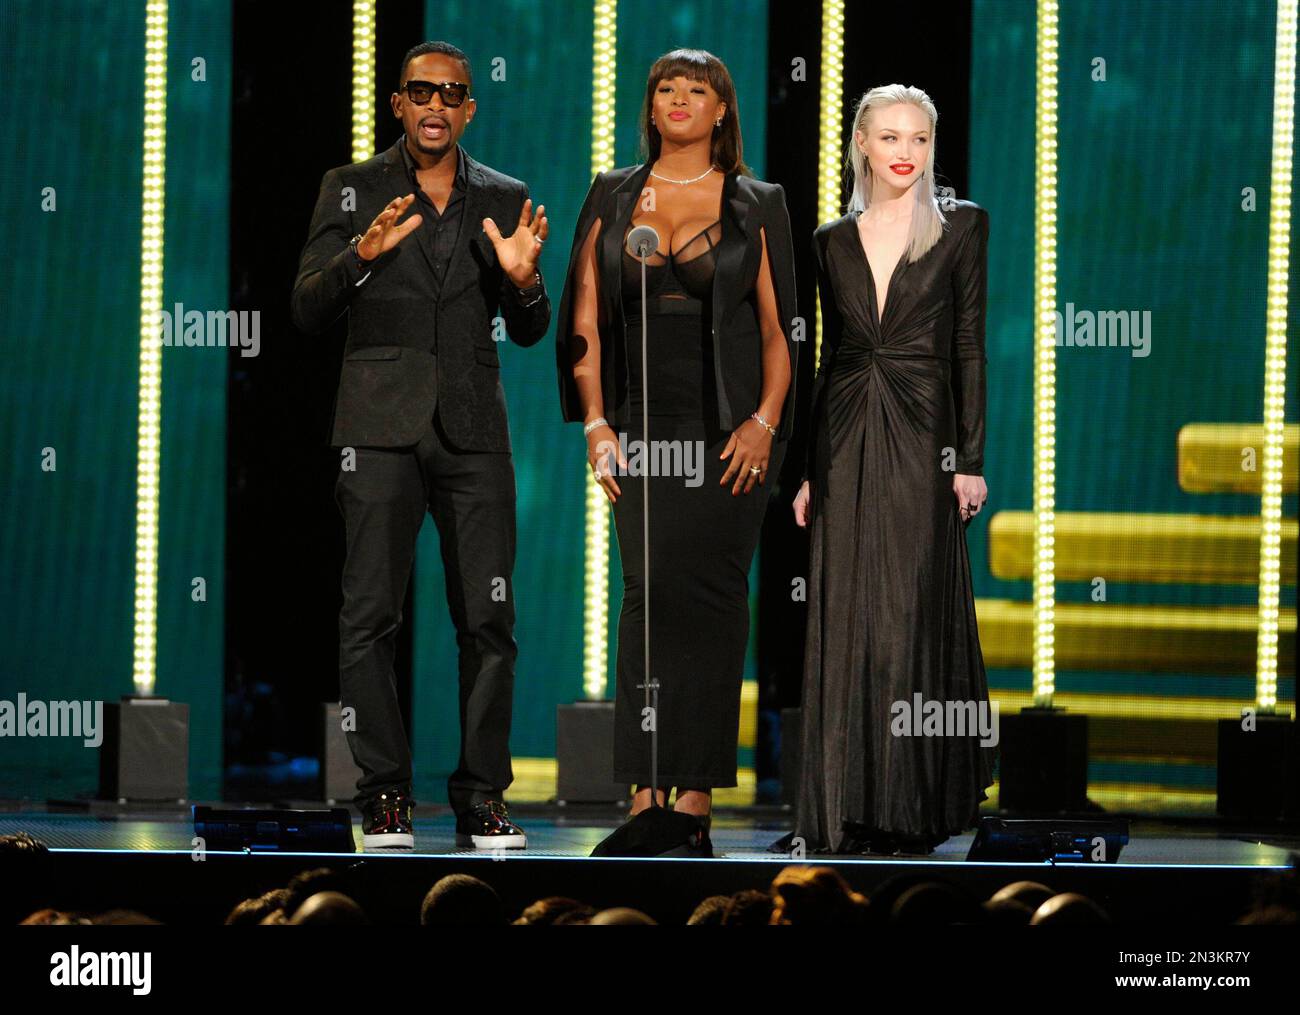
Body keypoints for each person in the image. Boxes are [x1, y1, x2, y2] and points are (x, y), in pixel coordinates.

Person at [291, 41, 549, 850]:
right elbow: (304, 309)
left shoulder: (505, 196)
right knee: (370, 616)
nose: (435, 103)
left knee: (490, 621)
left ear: (470, 108)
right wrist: (359, 258)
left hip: (474, 433)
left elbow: (533, 328)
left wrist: (524, 280)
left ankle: (482, 797)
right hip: (376, 428)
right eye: (420, 91)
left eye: (452, 93)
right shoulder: (352, 188)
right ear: (398, 103)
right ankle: (385, 794)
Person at [556, 49, 797, 831]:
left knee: (716, 603)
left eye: (699, 90)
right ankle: (643, 790)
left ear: (723, 110)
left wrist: (765, 423)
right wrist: (595, 424)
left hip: (729, 432)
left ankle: (693, 793)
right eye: (667, 88)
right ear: (651, 106)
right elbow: (585, 318)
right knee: (646, 596)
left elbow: (780, 330)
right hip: (639, 428)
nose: (681, 99)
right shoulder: (613, 193)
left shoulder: (758, 201)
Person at [789, 84, 995, 855]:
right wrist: (811, 468)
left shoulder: (962, 226)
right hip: (844, 431)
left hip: (924, 432)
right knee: (845, 617)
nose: (905, 150)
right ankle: (845, 808)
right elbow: (827, 355)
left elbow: (968, 344)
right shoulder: (830, 239)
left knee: (908, 614)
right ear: (863, 145)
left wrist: (968, 458)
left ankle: (909, 806)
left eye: (918, 137)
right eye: (890, 136)